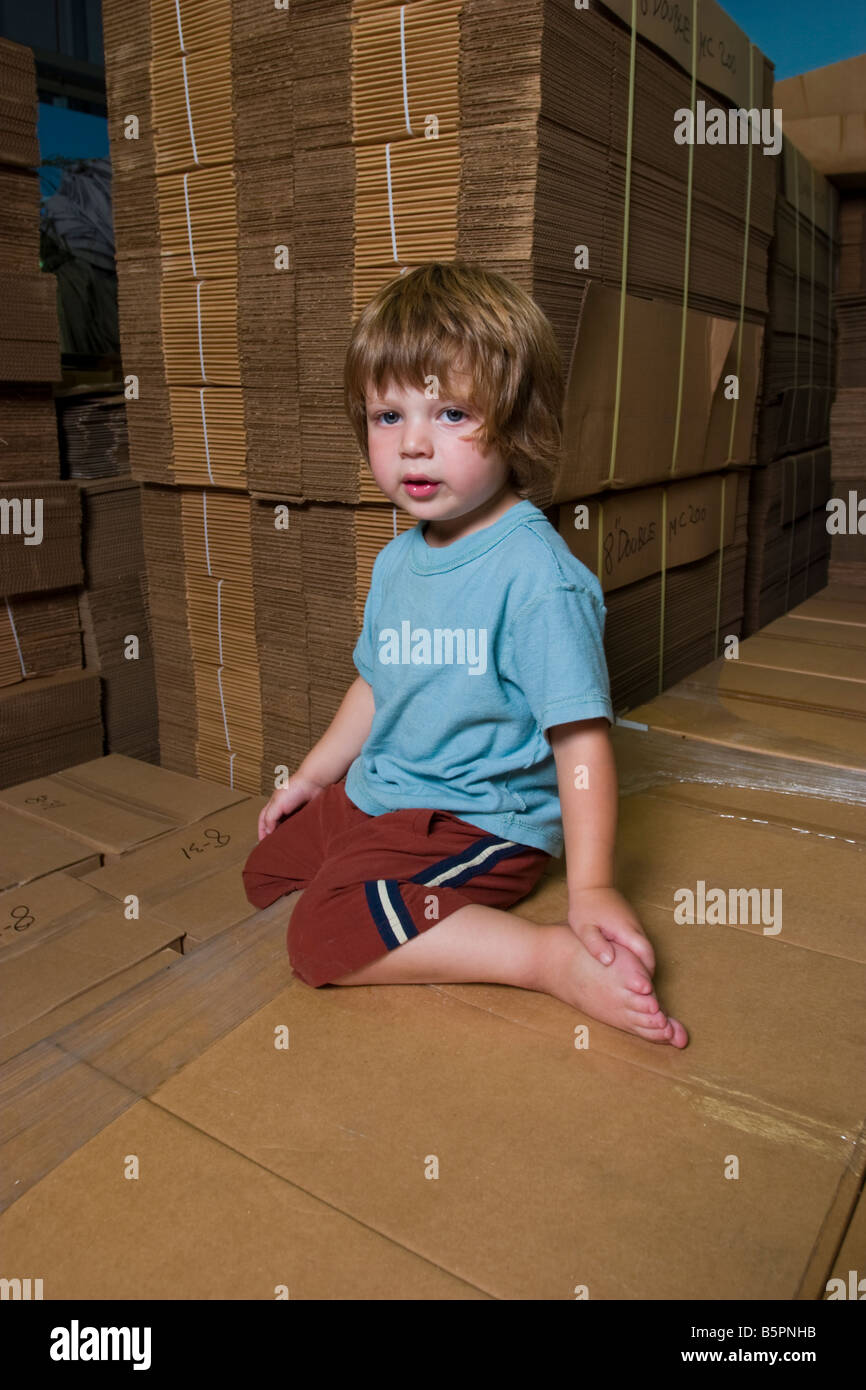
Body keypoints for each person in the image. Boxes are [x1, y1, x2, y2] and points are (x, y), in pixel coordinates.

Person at [242, 261, 688, 1048]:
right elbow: (377, 684)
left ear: (516, 424)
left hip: (476, 818)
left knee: (319, 938)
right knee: (268, 868)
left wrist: (590, 888)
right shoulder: (397, 560)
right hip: (391, 790)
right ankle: (380, 882)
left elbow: (580, 741)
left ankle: (541, 958)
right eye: (387, 416)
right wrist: (314, 777)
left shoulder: (537, 579)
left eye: (450, 412)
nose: (413, 444)